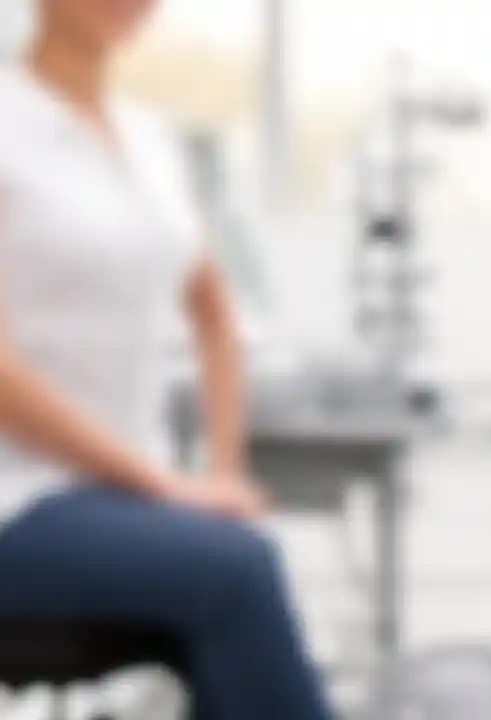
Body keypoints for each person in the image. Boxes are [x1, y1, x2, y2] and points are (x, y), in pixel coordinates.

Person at [0, 1, 332, 718]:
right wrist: (164, 486)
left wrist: (222, 472)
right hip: (18, 498)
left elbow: (216, 314)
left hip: (121, 501)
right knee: (235, 571)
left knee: (229, 580)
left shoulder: (149, 142)